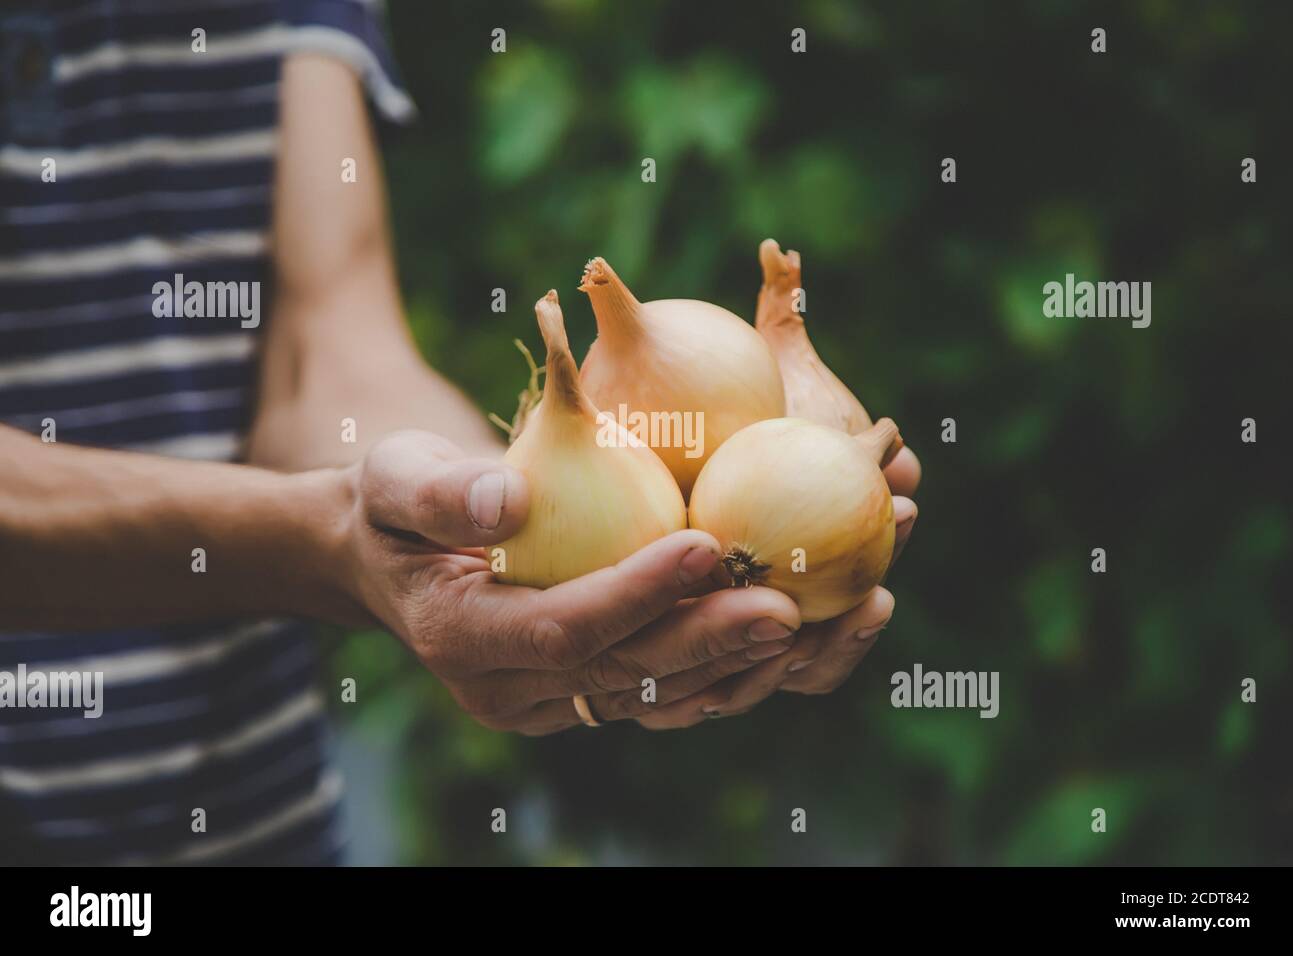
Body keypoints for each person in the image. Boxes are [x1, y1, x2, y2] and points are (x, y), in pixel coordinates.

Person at [0, 0, 920, 865]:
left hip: (247, 815)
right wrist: (325, 539)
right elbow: (328, 512)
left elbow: (327, 351)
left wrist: (471, 509)